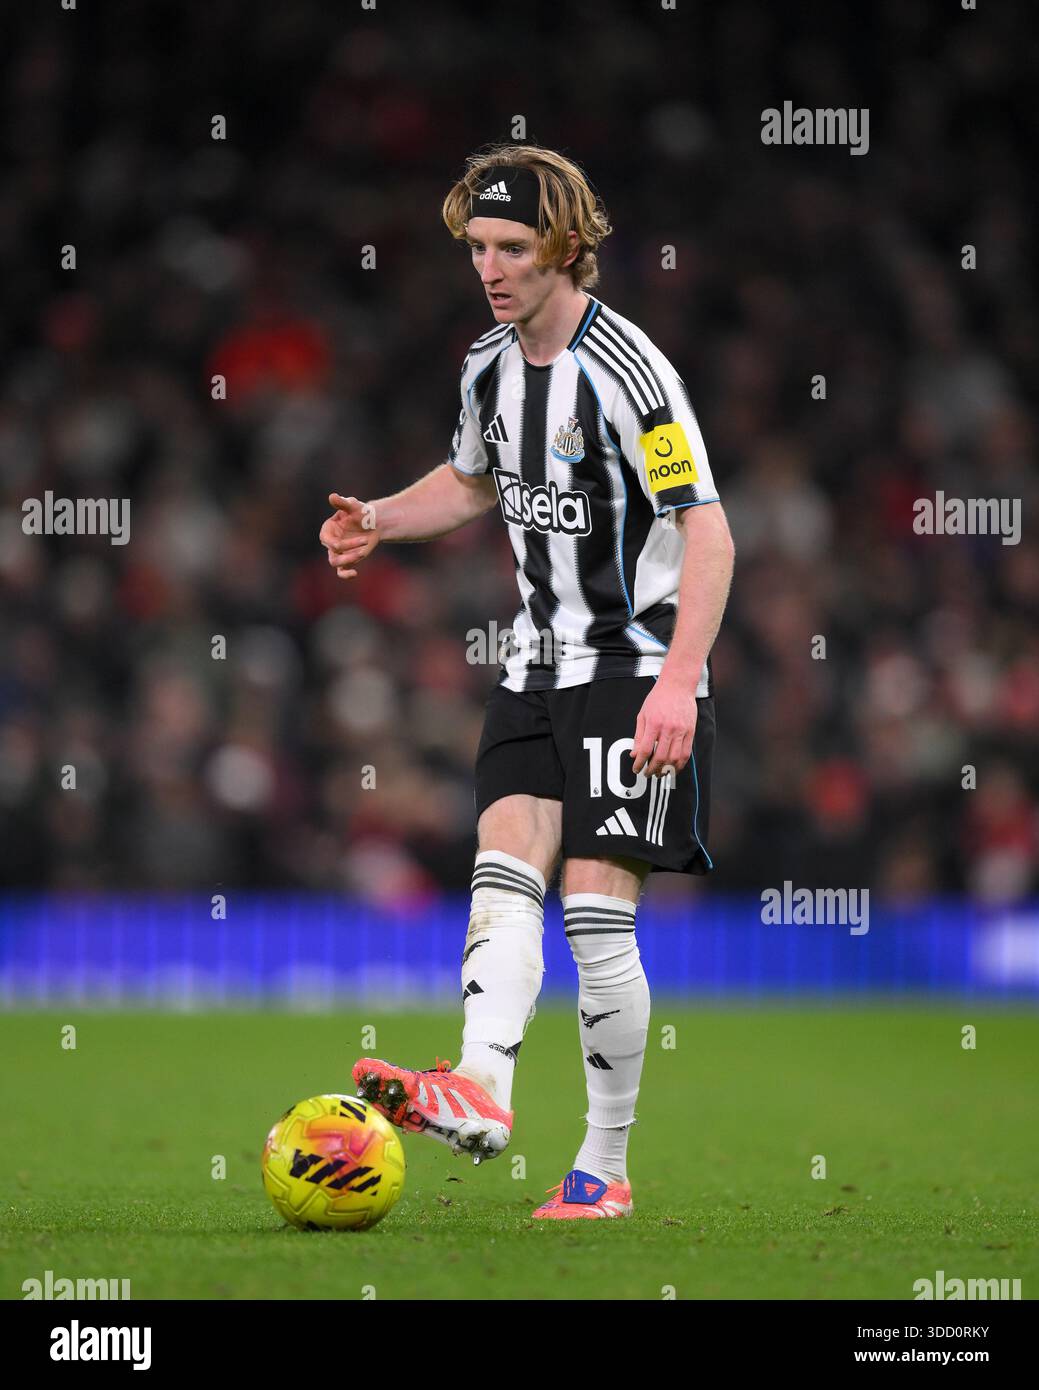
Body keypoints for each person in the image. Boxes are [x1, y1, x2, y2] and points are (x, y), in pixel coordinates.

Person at [319, 143, 734, 1219]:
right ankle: (483, 1091)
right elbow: (469, 483)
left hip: (631, 665)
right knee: (502, 864)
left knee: (596, 921)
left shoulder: (628, 372)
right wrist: (378, 519)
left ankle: (604, 1168)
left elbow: (711, 536)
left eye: (511, 248)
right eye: (477, 249)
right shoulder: (487, 363)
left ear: (564, 249)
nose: (491, 269)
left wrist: (678, 683)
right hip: (534, 662)